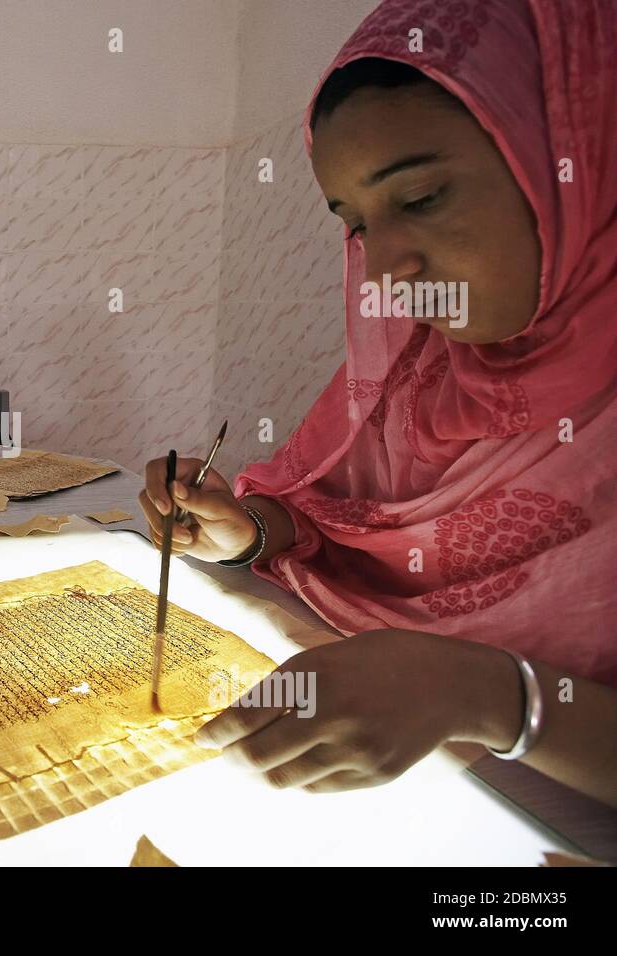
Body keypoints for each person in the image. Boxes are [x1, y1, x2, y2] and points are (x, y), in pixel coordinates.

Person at [139, 0, 616, 805]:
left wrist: (487, 694)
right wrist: (250, 531)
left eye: (422, 197)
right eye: (356, 226)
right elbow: (347, 523)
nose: (388, 267)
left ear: (572, 152)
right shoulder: (422, 366)